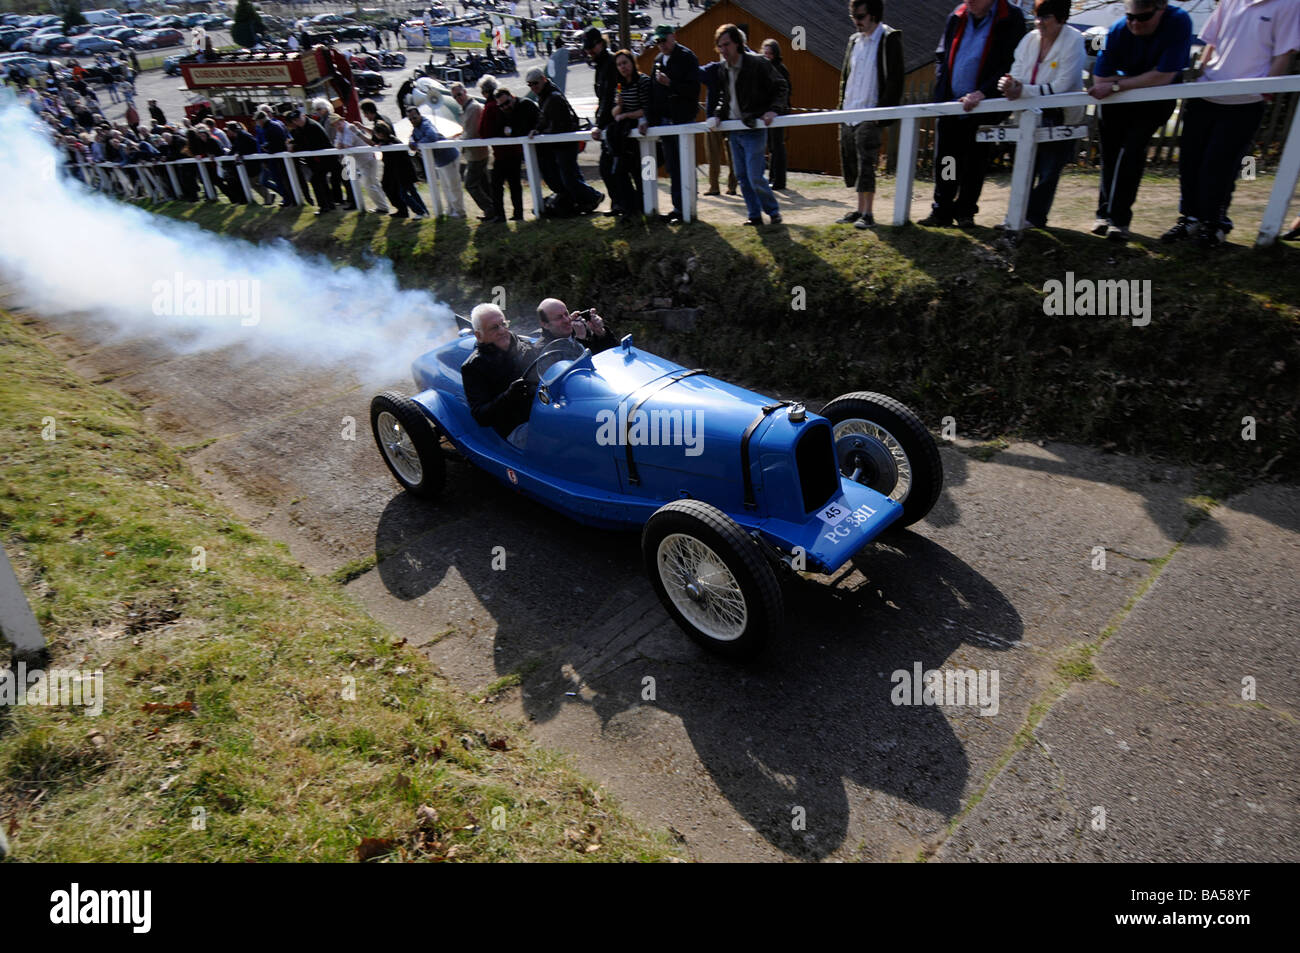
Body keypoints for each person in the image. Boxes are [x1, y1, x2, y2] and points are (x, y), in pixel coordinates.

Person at [1160, 0, 1299, 248]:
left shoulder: (1289, 4)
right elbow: (1211, 43)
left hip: (1245, 100)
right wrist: (1203, 75)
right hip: (1206, 93)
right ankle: (1190, 219)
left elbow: (1284, 52)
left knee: (1220, 165)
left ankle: (1215, 224)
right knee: (1190, 161)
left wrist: (1266, 90)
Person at [1089, 0, 1192, 243]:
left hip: (1154, 101)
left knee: (1131, 152)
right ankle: (1104, 214)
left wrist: (1119, 84)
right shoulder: (1116, 30)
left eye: (1143, 18)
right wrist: (1139, 80)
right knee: (1110, 154)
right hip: (1116, 102)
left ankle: (1119, 220)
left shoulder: (1178, 22)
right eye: (1130, 17)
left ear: (1161, 8)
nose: (1135, 23)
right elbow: (1100, 78)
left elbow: (1165, 76)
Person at [921, 0, 1026, 229]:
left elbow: (1012, 63)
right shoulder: (957, 15)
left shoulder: (1011, 18)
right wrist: (943, 89)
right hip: (951, 104)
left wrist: (984, 92)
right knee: (948, 160)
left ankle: (966, 211)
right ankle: (942, 209)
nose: (969, 2)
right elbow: (942, 54)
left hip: (982, 106)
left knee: (974, 161)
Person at [996, 0, 1085, 230]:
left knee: (1048, 169)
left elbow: (1063, 85)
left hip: (1060, 114)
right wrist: (1009, 83)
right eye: (1037, 17)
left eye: (1046, 18)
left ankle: (1035, 218)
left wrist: (1022, 90)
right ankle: (1014, 216)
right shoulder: (1029, 39)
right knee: (1024, 166)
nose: (1039, 23)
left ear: (1062, 19)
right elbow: (1017, 72)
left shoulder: (1074, 40)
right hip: (1027, 112)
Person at [708, 24, 788, 226]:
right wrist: (718, 114)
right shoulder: (723, 69)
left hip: (752, 127)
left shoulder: (758, 63)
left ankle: (773, 212)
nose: (723, 50)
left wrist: (773, 110)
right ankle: (754, 216)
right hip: (734, 130)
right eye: (720, 46)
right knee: (742, 176)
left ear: (738, 44)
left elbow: (781, 86)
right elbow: (724, 98)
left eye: (726, 45)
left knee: (755, 176)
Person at [836, 0, 904, 229]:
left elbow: (895, 79)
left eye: (861, 16)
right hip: (850, 110)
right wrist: (841, 108)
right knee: (852, 161)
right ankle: (858, 209)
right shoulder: (854, 41)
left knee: (867, 161)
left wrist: (881, 113)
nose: (857, 21)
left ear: (873, 15)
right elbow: (847, 76)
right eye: (853, 16)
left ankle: (869, 212)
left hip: (871, 110)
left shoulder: (888, 38)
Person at [527, 67, 604, 215]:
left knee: (569, 177)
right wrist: (539, 129)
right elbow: (546, 120)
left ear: (543, 80)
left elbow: (559, 124)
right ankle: (586, 200)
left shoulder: (552, 97)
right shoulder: (548, 95)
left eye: (535, 83)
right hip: (563, 143)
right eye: (529, 85)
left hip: (565, 143)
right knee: (571, 175)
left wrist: (542, 131)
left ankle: (593, 196)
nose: (533, 87)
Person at [462, 303, 536, 449]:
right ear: (479, 335)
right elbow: (480, 416)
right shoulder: (473, 367)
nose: (502, 331)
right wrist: (508, 396)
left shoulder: (522, 344)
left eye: (503, 324)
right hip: (516, 426)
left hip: (544, 411)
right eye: (494, 327)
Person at [649, 24, 700, 222]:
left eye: (663, 40)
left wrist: (671, 84)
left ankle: (689, 206)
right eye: (657, 41)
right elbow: (654, 92)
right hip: (665, 120)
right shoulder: (657, 60)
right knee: (672, 166)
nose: (661, 44)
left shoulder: (687, 57)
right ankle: (678, 208)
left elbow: (694, 90)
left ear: (673, 36)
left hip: (683, 118)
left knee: (685, 164)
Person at [603, 49, 653, 221]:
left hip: (644, 134)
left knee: (646, 173)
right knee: (622, 172)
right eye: (619, 65)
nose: (622, 67)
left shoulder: (643, 81)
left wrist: (625, 115)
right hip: (625, 137)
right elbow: (614, 112)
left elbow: (647, 109)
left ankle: (648, 209)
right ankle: (631, 209)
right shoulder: (619, 85)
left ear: (632, 62)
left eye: (625, 63)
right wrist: (620, 106)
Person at [583, 27, 623, 214]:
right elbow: (603, 99)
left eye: (591, 48)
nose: (589, 52)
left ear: (600, 44)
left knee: (614, 168)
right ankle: (619, 203)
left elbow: (608, 97)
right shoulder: (602, 65)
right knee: (609, 168)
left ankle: (623, 204)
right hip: (610, 123)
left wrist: (599, 124)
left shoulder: (609, 63)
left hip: (617, 124)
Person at [407, 105, 465, 217]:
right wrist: (412, 141)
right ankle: (451, 209)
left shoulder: (426, 124)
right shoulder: (416, 129)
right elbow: (412, 137)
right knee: (445, 186)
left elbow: (431, 136)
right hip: (440, 161)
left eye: (414, 117)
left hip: (449, 157)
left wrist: (417, 144)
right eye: (410, 119)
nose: (413, 120)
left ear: (419, 115)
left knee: (454, 186)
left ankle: (460, 211)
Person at [492, 87, 538, 220]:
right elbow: (501, 130)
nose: (505, 107)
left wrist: (513, 131)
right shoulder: (503, 112)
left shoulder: (526, 104)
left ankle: (519, 214)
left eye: (507, 103)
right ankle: (506, 215)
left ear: (512, 96)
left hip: (524, 149)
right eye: (501, 105)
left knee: (514, 183)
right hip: (513, 150)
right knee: (502, 183)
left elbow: (534, 123)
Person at [450, 82, 495, 218]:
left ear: (465, 92)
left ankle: (489, 208)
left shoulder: (473, 108)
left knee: (470, 184)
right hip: (475, 152)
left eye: (459, 94)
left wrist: (456, 140)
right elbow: (469, 131)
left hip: (476, 153)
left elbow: (472, 133)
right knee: (483, 183)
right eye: (455, 96)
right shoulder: (468, 107)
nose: (458, 98)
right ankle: (493, 210)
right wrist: (461, 135)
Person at [331, 114, 389, 214]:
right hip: (362, 161)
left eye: (338, 123)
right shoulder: (340, 131)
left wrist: (341, 145)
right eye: (335, 125)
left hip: (367, 160)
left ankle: (383, 207)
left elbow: (346, 145)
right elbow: (337, 144)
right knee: (372, 183)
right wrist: (340, 145)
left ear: (342, 120)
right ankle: (383, 206)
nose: (337, 126)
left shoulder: (349, 128)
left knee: (369, 184)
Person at [286, 107, 336, 215]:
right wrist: (292, 143)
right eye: (294, 120)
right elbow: (300, 140)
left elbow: (310, 145)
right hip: (317, 160)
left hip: (325, 158)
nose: (297, 122)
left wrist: (294, 148)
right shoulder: (302, 127)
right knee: (321, 182)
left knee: (315, 181)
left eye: (298, 119)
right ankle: (329, 204)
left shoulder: (312, 126)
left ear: (303, 116)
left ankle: (324, 206)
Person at [373, 120, 428, 218]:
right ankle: (424, 211)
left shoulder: (390, 143)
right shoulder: (392, 140)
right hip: (406, 170)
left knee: (403, 194)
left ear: (380, 134)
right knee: (413, 192)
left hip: (403, 172)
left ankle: (420, 212)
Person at [760, 38, 791, 191]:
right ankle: (773, 178)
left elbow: (784, 92)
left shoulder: (780, 69)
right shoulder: (765, 68)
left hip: (779, 113)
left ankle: (779, 180)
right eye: (765, 53)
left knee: (777, 146)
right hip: (769, 112)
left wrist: (776, 109)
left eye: (770, 53)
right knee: (772, 146)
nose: (767, 56)